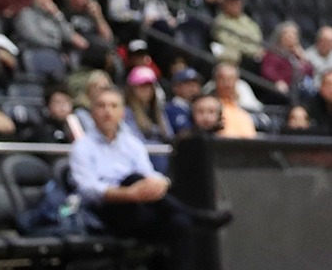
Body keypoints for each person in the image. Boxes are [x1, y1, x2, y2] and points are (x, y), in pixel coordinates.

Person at [68, 86, 232, 262]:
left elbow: (150, 174)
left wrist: (162, 183)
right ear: (92, 112)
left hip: (141, 207)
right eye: (102, 106)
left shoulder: (132, 144)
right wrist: (128, 194)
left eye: (113, 106)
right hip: (106, 211)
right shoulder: (82, 147)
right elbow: (87, 189)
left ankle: (189, 218)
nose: (107, 111)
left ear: (122, 112)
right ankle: (195, 215)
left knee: (180, 223)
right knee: (133, 178)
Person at [210, 0, 263, 67]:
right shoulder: (220, 21)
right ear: (224, 3)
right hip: (238, 58)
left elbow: (257, 37)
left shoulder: (247, 20)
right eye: (231, 2)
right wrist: (251, 51)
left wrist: (257, 51)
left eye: (237, 1)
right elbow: (228, 41)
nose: (236, 5)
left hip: (255, 55)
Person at [260, 21, 313, 97]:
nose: (291, 36)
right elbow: (267, 71)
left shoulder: (297, 54)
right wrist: (277, 80)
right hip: (280, 87)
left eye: (294, 34)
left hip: (299, 87)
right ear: (280, 36)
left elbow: (309, 72)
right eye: (287, 34)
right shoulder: (273, 53)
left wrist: (302, 59)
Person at [210, 63, 258, 139]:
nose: (226, 83)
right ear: (215, 80)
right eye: (222, 79)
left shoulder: (244, 97)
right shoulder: (209, 102)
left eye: (230, 79)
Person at [124, 67, 172, 143]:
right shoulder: (126, 113)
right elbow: (134, 140)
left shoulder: (159, 111)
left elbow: (169, 135)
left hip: (162, 152)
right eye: (141, 86)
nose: (146, 90)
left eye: (149, 86)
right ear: (132, 89)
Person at [164, 68, 203, 137]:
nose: (193, 88)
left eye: (196, 84)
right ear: (175, 87)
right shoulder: (169, 108)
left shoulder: (201, 107)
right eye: (188, 84)